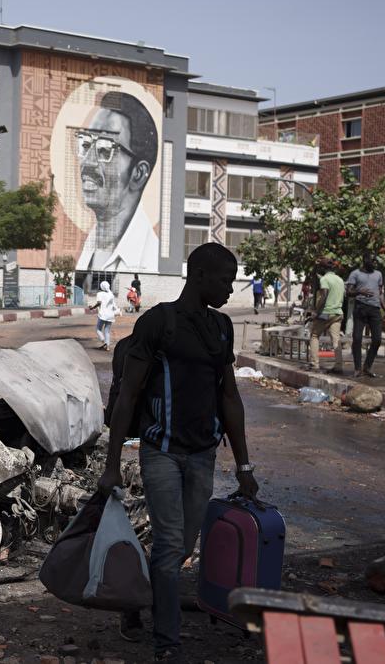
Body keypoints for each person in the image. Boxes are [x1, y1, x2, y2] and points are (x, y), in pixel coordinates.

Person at [100, 242, 258, 663]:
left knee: (182, 547)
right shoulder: (159, 323)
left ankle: (135, 600)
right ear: (200, 275)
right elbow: (128, 396)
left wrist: (244, 465)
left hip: (203, 453)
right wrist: (112, 465)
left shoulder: (221, 327)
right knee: (170, 544)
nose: (230, 289)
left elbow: (230, 397)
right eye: (225, 280)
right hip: (162, 452)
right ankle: (167, 643)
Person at [75, 91, 160, 273]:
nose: (88, 162)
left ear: (138, 173)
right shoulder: (88, 248)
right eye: (86, 145)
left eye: (105, 149)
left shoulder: (150, 261)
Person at [346, 253, 385, 378]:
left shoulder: (378, 274)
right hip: (360, 307)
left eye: (376, 261)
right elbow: (348, 292)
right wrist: (359, 291)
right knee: (357, 338)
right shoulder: (355, 274)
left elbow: (380, 294)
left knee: (377, 339)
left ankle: (367, 366)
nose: (375, 263)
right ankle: (357, 368)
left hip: (375, 309)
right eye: (372, 260)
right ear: (365, 260)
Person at [307, 259, 346, 374]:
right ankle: (338, 366)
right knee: (336, 340)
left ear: (323, 269)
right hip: (338, 313)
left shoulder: (324, 279)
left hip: (326, 313)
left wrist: (316, 312)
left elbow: (324, 295)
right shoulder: (340, 280)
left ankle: (314, 364)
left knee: (314, 336)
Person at [90, 280, 118, 350]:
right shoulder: (111, 294)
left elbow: (99, 303)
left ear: (101, 287)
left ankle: (104, 342)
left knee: (98, 329)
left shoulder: (100, 294)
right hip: (110, 315)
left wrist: (92, 307)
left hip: (103, 315)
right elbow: (114, 305)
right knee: (107, 331)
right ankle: (107, 347)